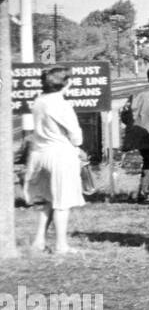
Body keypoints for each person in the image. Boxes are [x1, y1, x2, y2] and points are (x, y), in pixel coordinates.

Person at [24, 66, 87, 255]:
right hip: (60, 154)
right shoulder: (61, 104)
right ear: (65, 83)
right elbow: (76, 136)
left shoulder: (39, 101)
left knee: (48, 199)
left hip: (39, 153)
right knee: (62, 201)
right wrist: (77, 144)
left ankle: (39, 240)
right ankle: (61, 245)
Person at [121, 66, 149, 201]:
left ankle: (143, 191)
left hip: (139, 133)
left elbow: (124, 115)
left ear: (148, 78)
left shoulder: (136, 94)